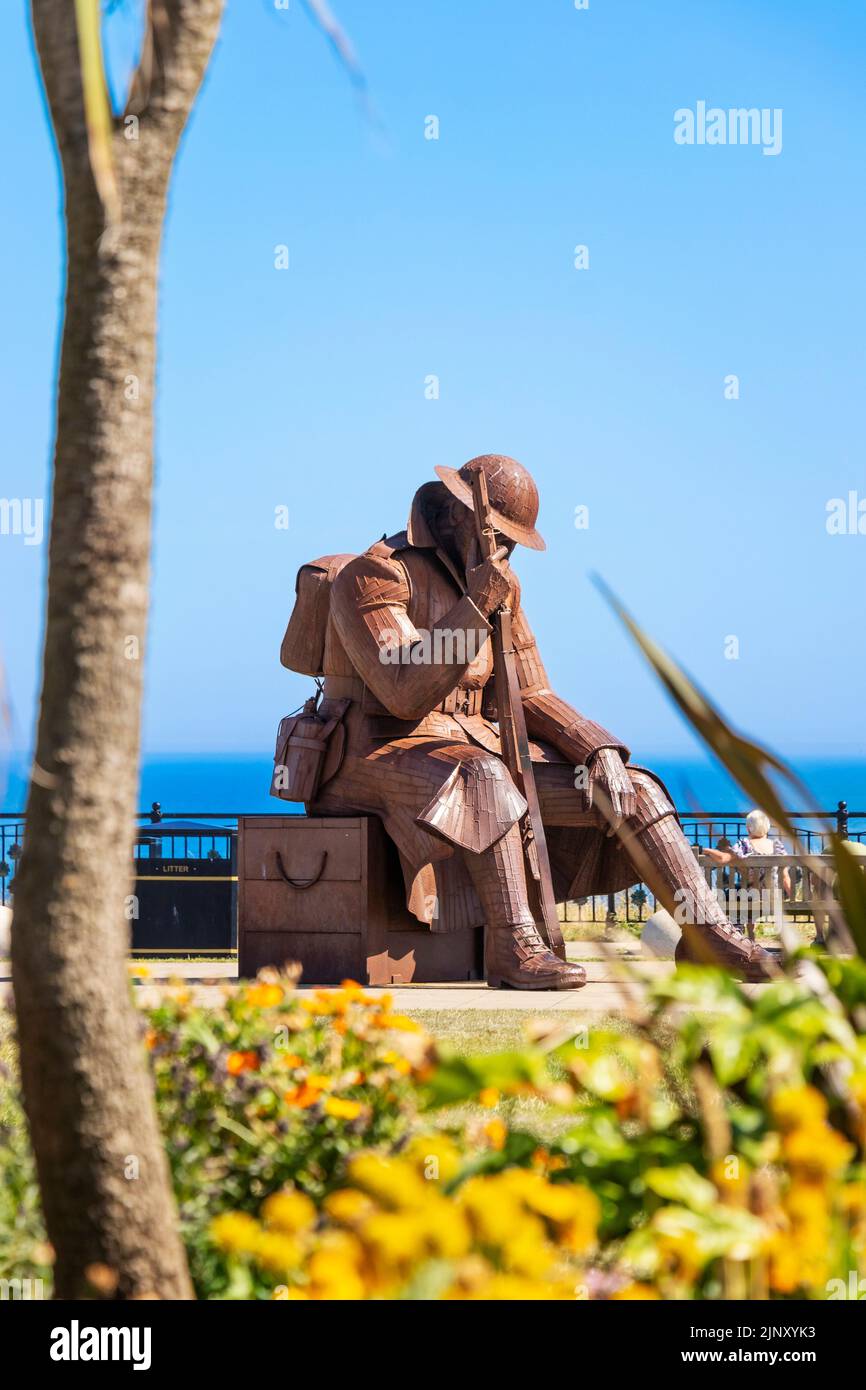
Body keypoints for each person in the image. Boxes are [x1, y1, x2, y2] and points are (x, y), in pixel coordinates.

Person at [289, 454, 770, 988]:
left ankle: (708, 934)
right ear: (453, 515)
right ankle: (514, 947)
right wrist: (476, 604)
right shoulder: (374, 574)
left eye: (513, 541)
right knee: (483, 779)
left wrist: (596, 748)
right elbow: (403, 691)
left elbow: (530, 692)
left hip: (469, 750)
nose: (507, 550)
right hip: (371, 752)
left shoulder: (502, 587)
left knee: (635, 790)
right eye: (498, 534)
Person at [703, 811, 791, 940]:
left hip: (751, 896)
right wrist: (792, 897)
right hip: (773, 896)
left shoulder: (744, 845)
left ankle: (739, 929)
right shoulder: (777, 845)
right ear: (767, 827)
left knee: (733, 895)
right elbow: (785, 876)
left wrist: (707, 850)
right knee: (742, 895)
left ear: (748, 828)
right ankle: (748, 934)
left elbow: (723, 859)